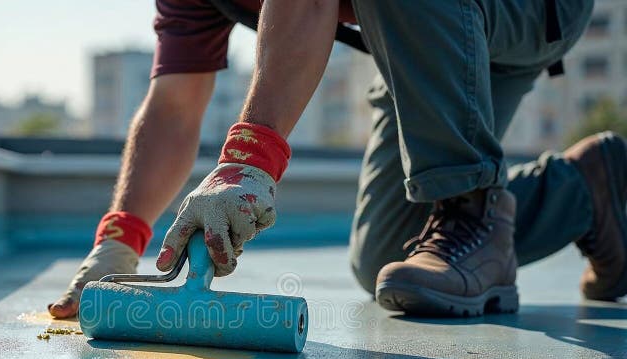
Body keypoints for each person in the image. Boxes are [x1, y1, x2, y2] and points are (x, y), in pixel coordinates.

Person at [49, 0, 626, 320]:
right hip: (443, 32)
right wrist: (119, 242)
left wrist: (247, 161)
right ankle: (588, 191)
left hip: (524, 8)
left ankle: (472, 210)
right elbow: (175, 108)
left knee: (454, 237)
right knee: (388, 258)